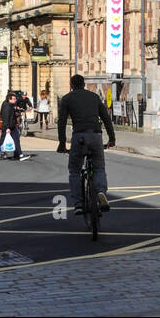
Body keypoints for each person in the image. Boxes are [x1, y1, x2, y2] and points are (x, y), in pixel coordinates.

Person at [55, 73, 116, 214]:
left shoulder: (67, 99)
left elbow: (62, 122)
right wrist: (112, 138)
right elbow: (106, 118)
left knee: (75, 170)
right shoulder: (94, 97)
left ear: (71, 85)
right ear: (84, 84)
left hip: (79, 136)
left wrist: (62, 143)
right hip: (96, 135)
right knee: (99, 168)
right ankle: (101, 192)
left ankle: (78, 204)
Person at [0, 91, 31, 162]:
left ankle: (20, 155)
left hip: (12, 126)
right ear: (10, 99)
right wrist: (7, 128)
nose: (15, 100)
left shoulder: (10, 105)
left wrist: (16, 110)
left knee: (16, 140)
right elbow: (5, 118)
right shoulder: (7, 107)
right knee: (1, 141)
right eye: (14, 99)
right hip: (7, 127)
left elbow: (12, 115)